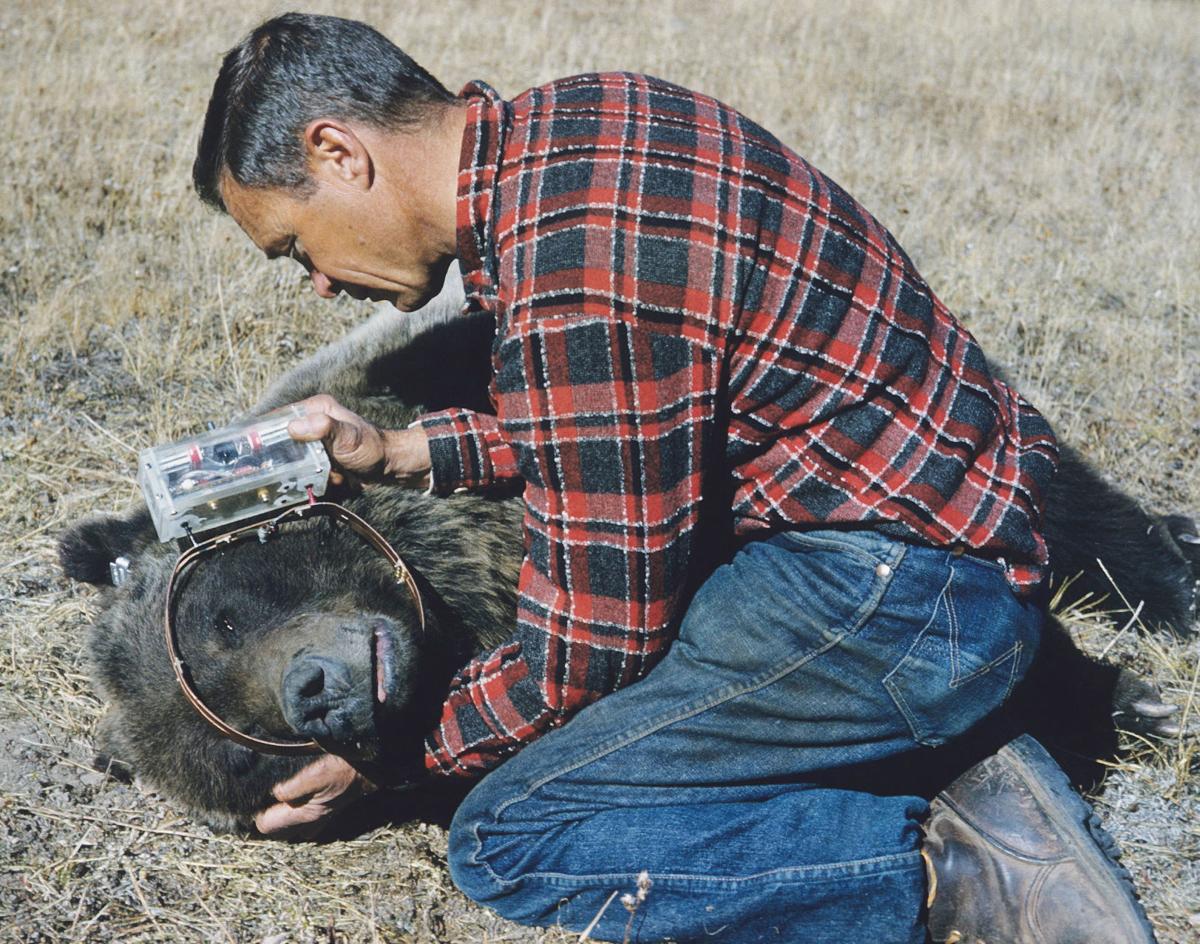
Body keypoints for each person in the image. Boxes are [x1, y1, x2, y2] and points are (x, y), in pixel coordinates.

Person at [192, 13, 1156, 943]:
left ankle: (951, 865)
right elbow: (616, 423)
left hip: (901, 598)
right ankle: (962, 754)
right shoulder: (583, 121)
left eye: (296, 247)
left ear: (339, 154)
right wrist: (405, 452)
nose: (320, 282)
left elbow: (589, 651)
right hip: (929, 536)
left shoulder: (570, 278)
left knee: (512, 834)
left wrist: (399, 760)